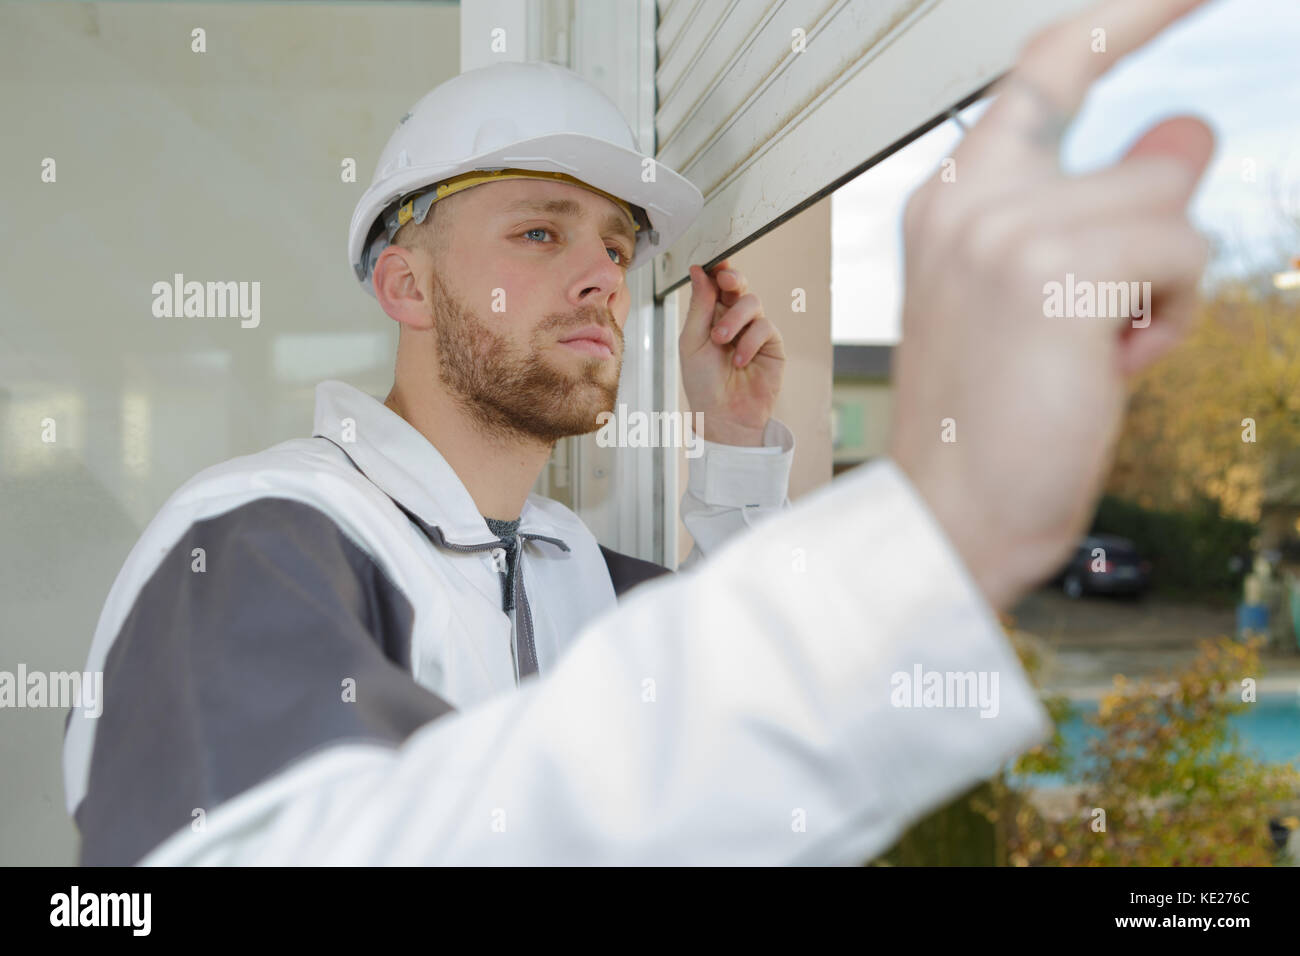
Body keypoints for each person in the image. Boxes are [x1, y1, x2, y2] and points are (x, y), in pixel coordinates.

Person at [62, 0, 1215, 865]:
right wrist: (946, 520)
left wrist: (733, 444)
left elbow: (709, 757)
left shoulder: (568, 562)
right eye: (537, 232)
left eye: (615, 247)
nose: (600, 280)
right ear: (405, 287)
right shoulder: (259, 540)